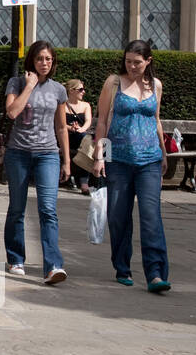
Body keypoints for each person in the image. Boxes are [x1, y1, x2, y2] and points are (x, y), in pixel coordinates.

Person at [91, 40, 171, 292]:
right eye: (128, 61)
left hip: (149, 160)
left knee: (151, 217)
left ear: (148, 61)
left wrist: (164, 152)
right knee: (118, 216)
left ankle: (156, 274)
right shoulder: (113, 83)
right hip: (118, 160)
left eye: (137, 62)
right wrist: (100, 155)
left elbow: (156, 120)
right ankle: (122, 266)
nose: (132, 66)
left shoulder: (155, 86)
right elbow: (102, 121)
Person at [2, 41, 71, 284]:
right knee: (17, 209)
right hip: (18, 153)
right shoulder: (17, 83)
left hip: (48, 154)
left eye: (48, 59)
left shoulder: (58, 90)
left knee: (48, 210)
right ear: (32, 59)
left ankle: (53, 266)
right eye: (40, 58)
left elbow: (61, 127)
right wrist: (30, 86)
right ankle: (15, 258)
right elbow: (12, 112)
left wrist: (67, 161)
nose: (44, 63)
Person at [64, 78, 94, 194]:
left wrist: (81, 129)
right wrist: (71, 128)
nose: (83, 92)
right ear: (71, 91)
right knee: (85, 141)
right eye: (80, 89)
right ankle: (84, 182)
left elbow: (88, 121)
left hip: (81, 136)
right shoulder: (63, 105)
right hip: (66, 136)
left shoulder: (86, 105)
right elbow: (60, 124)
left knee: (86, 141)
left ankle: (85, 181)